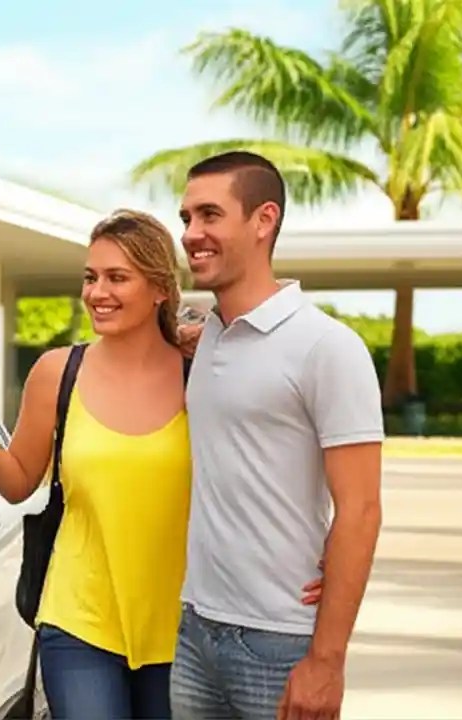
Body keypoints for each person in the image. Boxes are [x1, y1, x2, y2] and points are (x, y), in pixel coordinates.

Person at [0, 209, 323, 719]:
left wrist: (314, 551)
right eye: (91, 277)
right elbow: (17, 483)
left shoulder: (204, 375)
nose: (98, 292)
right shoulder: (58, 373)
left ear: (161, 288)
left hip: (185, 626)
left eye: (118, 278)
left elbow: (268, 470)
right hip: (79, 617)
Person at [170, 151, 384, 720]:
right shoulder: (208, 332)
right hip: (193, 632)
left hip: (280, 643)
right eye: (186, 217)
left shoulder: (327, 347)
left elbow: (360, 510)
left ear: (263, 220)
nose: (192, 234)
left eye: (210, 215)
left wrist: (327, 660)